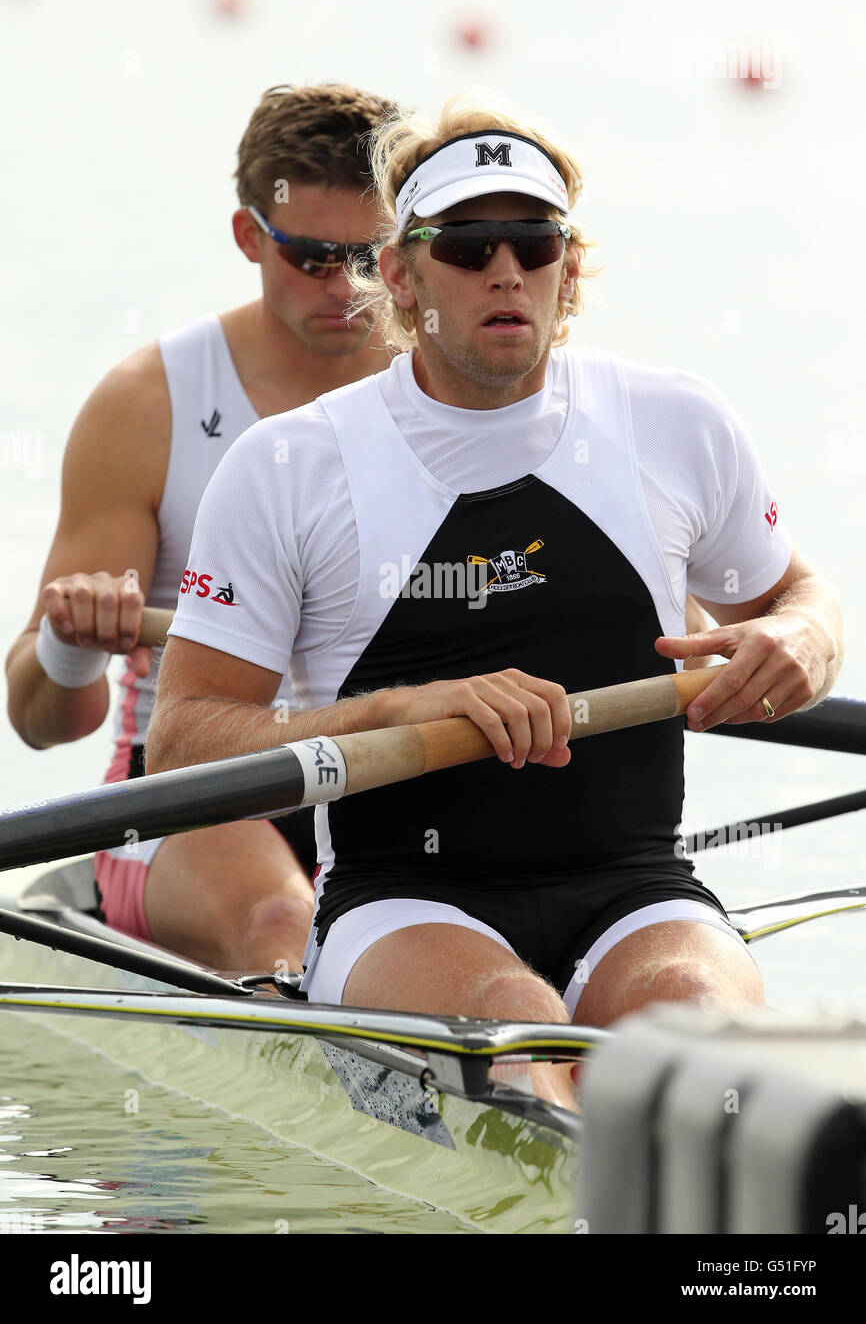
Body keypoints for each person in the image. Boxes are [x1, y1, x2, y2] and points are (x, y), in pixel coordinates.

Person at [146, 99, 842, 1101]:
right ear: (399, 272)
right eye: (468, 245)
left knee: (711, 1063)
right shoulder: (289, 466)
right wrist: (394, 713)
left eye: (533, 240)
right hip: (402, 901)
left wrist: (800, 640)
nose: (506, 270)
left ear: (566, 266)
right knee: (524, 1057)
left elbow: (795, 595)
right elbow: (179, 746)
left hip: (637, 888)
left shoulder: (673, 422)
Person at [5, 82, 398, 972]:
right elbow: (39, 721)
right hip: (189, 795)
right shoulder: (148, 405)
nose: (347, 287)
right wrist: (72, 648)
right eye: (312, 256)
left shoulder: (451, 387)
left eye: (370, 256)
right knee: (279, 927)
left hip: (397, 776)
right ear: (250, 236)